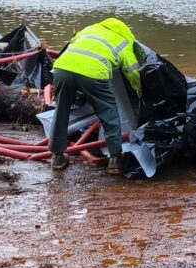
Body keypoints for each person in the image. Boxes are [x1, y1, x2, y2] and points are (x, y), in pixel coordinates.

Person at [49, 17, 143, 173]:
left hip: (62, 69)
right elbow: (132, 71)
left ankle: (57, 156)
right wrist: (140, 92)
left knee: (61, 111)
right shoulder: (124, 40)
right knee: (109, 113)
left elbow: (71, 47)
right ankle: (115, 160)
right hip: (94, 73)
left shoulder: (89, 30)